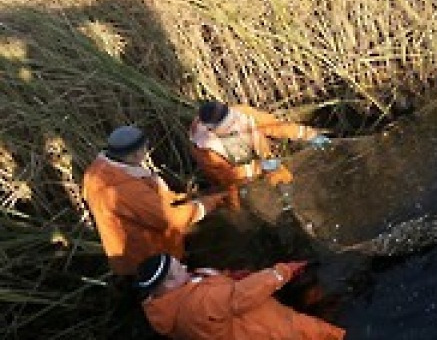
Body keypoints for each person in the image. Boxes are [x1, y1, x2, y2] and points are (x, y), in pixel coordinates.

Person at [82, 126, 226, 277]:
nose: (147, 151)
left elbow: (152, 203)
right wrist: (207, 204)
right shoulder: (125, 189)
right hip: (148, 259)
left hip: (126, 256)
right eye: (145, 147)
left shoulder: (97, 172)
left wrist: (182, 199)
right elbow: (171, 218)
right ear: (135, 154)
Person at [136, 253, 345, 339]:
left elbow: (217, 294)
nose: (184, 266)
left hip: (243, 326)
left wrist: (227, 277)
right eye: (177, 269)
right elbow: (241, 295)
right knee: (324, 333)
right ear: (168, 284)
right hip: (264, 329)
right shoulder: (199, 302)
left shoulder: (164, 307)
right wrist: (283, 271)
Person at [188, 101, 331, 209]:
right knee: (243, 208)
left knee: (288, 188)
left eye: (232, 119)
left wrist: (310, 135)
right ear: (211, 129)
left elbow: (276, 126)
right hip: (237, 186)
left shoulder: (243, 113)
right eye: (227, 125)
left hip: (270, 165)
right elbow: (230, 177)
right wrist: (257, 171)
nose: (234, 125)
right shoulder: (204, 148)